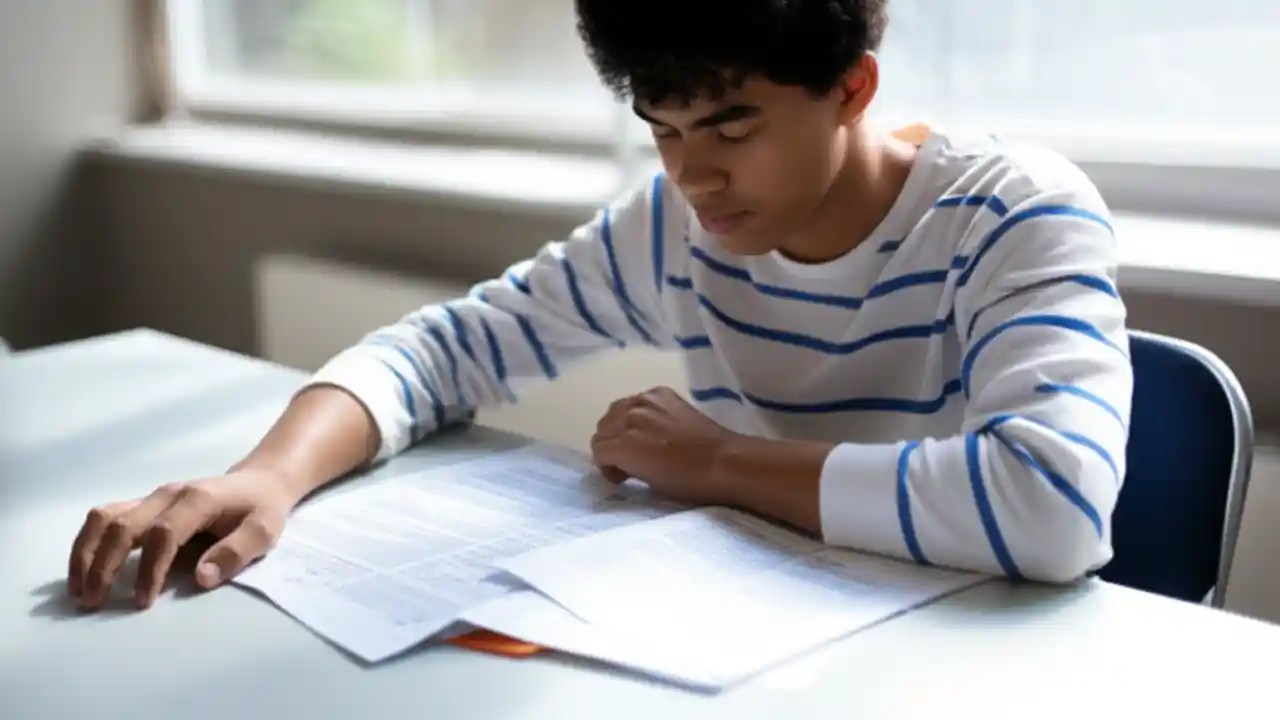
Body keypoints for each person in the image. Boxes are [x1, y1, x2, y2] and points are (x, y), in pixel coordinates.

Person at [68, 0, 1132, 612]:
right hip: (762, 645)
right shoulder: (680, 227)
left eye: (729, 125)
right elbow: (446, 349)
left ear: (851, 89)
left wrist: (715, 463)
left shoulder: (1011, 214)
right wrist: (266, 475)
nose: (694, 177)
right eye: (661, 130)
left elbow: (1050, 509)